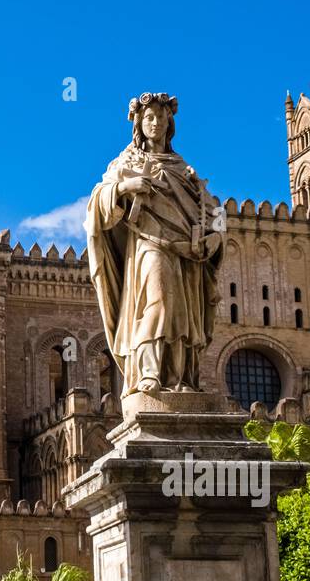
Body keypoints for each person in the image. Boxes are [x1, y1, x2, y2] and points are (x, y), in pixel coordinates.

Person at [84, 92, 221, 395]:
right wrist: (125, 186)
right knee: (157, 301)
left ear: (169, 123)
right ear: (139, 123)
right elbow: (96, 206)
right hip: (149, 244)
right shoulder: (127, 162)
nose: (155, 122)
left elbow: (214, 213)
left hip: (187, 252)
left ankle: (180, 378)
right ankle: (149, 373)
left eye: (161, 117)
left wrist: (216, 238)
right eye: (149, 117)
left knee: (182, 314)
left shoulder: (183, 169)